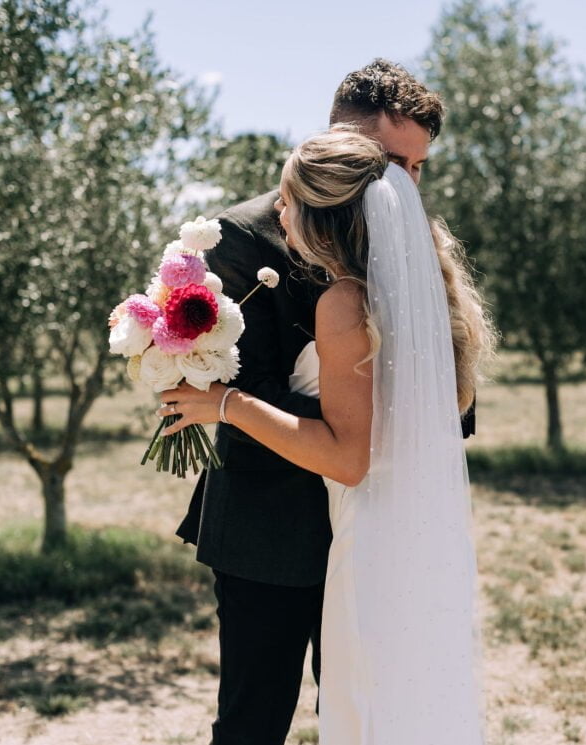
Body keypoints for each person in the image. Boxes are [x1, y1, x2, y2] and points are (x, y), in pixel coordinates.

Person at [173, 60, 476, 745]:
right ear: (340, 138)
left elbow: (453, 410)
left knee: (368, 712)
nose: (404, 185)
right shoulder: (241, 237)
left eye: (418, 167)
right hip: (272, 529)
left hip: (383, 530)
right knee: (253, 723)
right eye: (392, 161)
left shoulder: (416, 245)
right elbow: (241, 387)